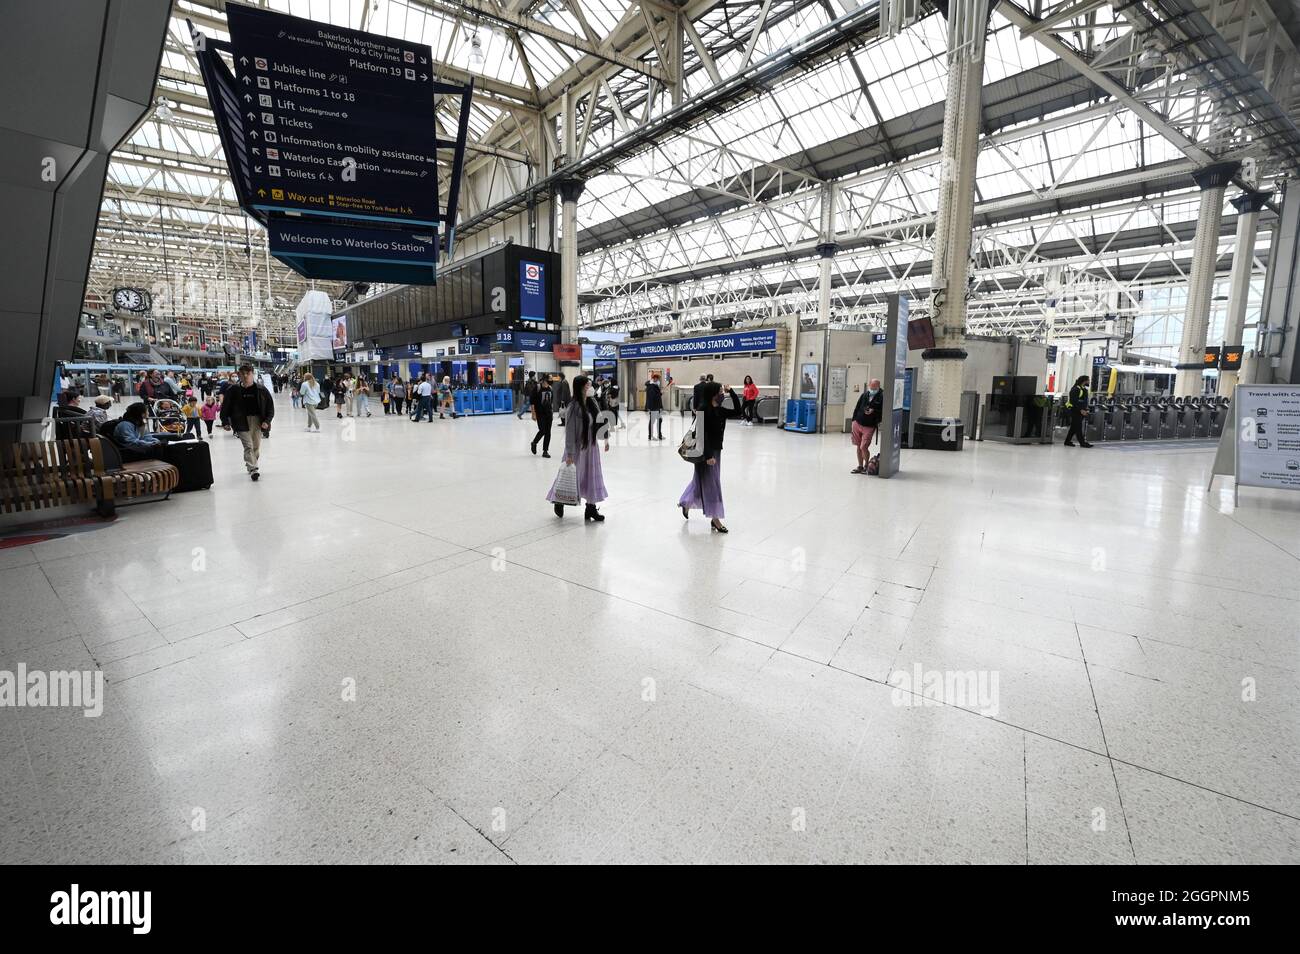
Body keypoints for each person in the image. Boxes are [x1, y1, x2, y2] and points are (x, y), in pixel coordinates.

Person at [679, 381, 743, 532]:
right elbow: (701, 435)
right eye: (720, 391)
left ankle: (686, 502)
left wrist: (732, 392)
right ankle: (715, 519)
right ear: (712, 393)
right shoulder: (703, 409)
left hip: (716, 451)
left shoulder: (720, 410)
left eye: (723, 391)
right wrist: (708, 455)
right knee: (713, 484)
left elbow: (738, 411)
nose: (722, 394)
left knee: (700, 480)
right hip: (704, 452)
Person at [548, 374, 609, 522]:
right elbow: (569, 432)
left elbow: (601, 420)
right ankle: (559, 500)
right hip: (576, 448)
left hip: (591, 447)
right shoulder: (573, 407)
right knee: (570, 476)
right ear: (580, 387)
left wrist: (606, 439)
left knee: (591, 476)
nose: (590, 387)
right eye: (587, 385)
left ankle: (591, 509)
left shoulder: (592, 402)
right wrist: (569, 453)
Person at [220, 364, 275, 481]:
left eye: (248, 373)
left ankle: (251, 464)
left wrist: (267, 421)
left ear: (252, 374)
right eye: (242, 374)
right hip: (240, 420)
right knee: (248, 446)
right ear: (239, 375)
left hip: (257, 421)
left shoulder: (261, 389)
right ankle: (253, 469)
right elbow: (225, 406)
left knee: (255, 447)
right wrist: (225, 421)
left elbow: (270, 407)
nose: (245, 376)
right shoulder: (233, 390)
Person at [849, 378, 884, 474]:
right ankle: (860, 466)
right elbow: (857, 407)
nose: (872, 389)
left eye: (875, 388)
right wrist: (853, 420)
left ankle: (866, 466)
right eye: (871, 387)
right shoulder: (864, 395)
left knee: (863, 447)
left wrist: (874, 411)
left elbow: (882, 412)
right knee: (858, 446)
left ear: (878, 387)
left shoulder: (882, 397)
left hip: (869, 425)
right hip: (858, 422)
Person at [1063, 374, 1093, 448]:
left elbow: (1082, 401)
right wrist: (1081, 410)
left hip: (1080, 411)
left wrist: (1085, 409)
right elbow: (1073, 402)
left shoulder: (1083, 389)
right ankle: (1082, 443)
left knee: (1074, 427)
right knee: (1078, 427)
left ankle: (1067, 441)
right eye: (1088, 380)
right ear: (1084, 381)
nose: (1089, 381)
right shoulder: (1076, 389)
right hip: (1075, 411)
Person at [530, 375, 554, 457]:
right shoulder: (537, 388)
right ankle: (534, 442)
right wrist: (533, 414)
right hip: (540, 413)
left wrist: (552, 412)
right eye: (550, 379)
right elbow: (532, 402)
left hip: (549, 413)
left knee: (548, 432)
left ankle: (545, 451)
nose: (551, 380)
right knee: (542, 430)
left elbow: (551, 402)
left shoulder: (550, 388)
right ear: (544, 380)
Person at [645, 372, 664, 441]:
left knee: (659, 420)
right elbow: (652, 397)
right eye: (656, 378)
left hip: (656, 406)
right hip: (653, 406)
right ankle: (651, 436)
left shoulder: (654, 385)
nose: (657, 379)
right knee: (652, 421)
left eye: (658, 378)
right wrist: (660, 393)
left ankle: (659, 435)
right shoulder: (651, 386)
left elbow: (656, 396)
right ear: (653, 378)